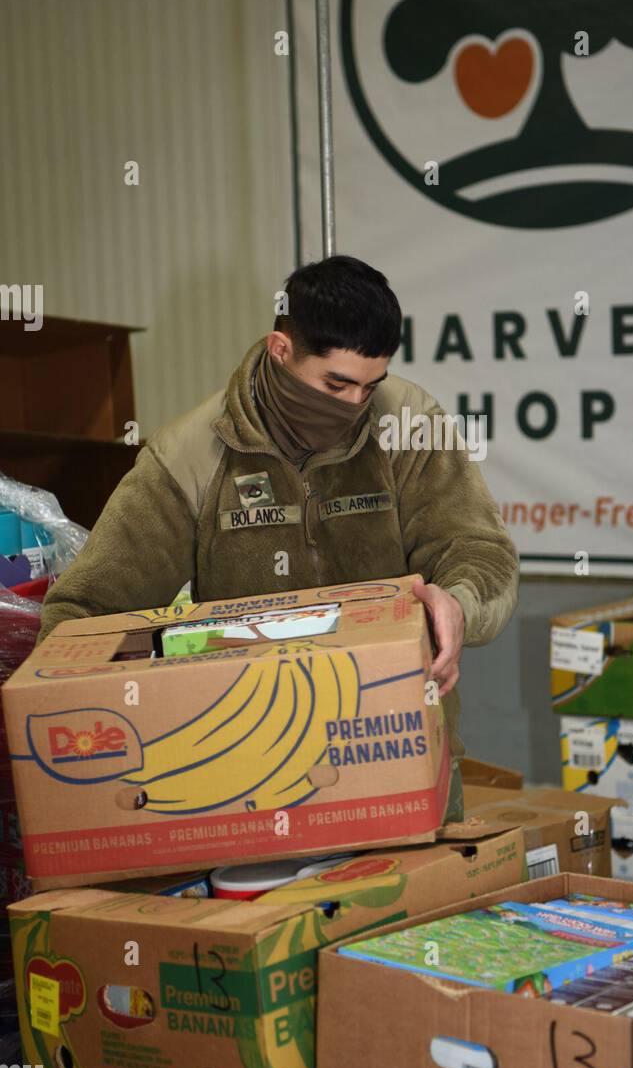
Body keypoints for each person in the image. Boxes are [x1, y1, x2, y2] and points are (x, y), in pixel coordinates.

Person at [38, 255, 519, 821]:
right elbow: (83, 617)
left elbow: (481, 552)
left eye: (370, 387)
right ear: (280, 349)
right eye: (334, 384)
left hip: (403, 750)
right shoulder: (190, 456)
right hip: (249, 777)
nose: (353, 406)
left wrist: (458, 604)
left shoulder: (408, 423)